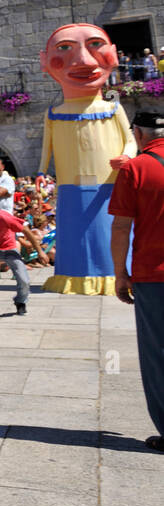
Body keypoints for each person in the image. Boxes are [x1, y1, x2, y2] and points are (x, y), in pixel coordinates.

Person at [39, 23, 135, 294]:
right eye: (65, 48)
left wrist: (126, 156)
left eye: (95, 45)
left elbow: (130, 139)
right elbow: (46, 147)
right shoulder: (54, 112)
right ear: (44, 61)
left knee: (110, 229)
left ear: (113, 55)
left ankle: (114, 274)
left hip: (110, 183)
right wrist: (40, 171)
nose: (83, 60)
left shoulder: (112, 107)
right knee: (75, 232)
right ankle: (75, 275)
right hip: (70, 185)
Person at [110, 110, 164, 450]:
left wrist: (119, 273)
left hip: (153, 274)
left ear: (139, 134)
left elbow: (121, 226)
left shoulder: (135, 168)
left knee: (158, 352)